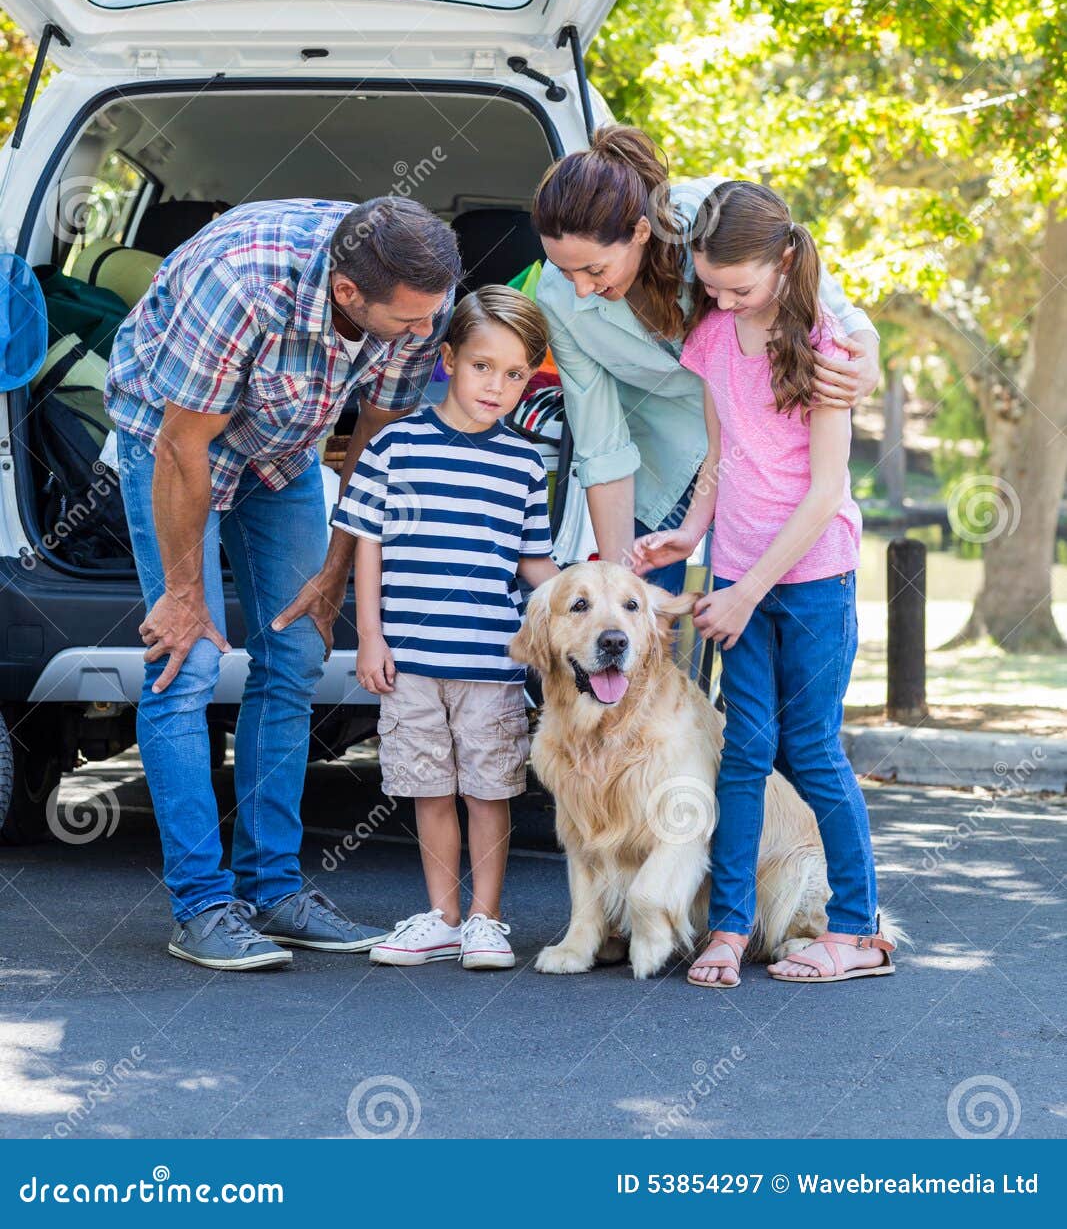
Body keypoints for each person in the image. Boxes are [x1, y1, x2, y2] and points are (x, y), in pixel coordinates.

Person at [105, 196, 461, 970]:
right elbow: (182, 443)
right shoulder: (239, 283)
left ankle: (274, 890)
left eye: (427, 318)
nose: (422, 333)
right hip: (171, 439)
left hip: (287, 449)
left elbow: (376, 431)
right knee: (186, 660)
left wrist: (337, 565)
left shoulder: (421, 293)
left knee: (297, 657)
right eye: (404, 322)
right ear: (346, 294)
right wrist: (185, 592)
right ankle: (201, 907)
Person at [632, 181, 897, 988]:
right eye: (711, 286)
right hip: (737, 574)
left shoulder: (827, 348)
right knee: (742, 754)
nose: (721, 299)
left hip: (810, 580)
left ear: (784, 261)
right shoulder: (713, 340)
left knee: (810, 750)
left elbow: (824, 495)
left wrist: (746, 591)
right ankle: (729, 928)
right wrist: (690, 530)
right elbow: (720, 456)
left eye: (738, 287)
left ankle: (855, 930)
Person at [532, 127, 881, 593]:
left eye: (595, 269)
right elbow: (601, 442)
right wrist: (618, 579)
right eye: (562, 268)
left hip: (763, 445)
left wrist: (867, 355)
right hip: (663, 451)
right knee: (637, 603)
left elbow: (815, 291)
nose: (579, 287)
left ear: (639, 232)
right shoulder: (558, 300)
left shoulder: (708, 213)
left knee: (764, 599)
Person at [332, 287, 558, 971]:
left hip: (493, 662)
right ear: (448, 358)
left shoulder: (523, 462)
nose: (497, 386)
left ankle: (486, 922)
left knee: (489, 793)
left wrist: (594, 597)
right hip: (410, 662)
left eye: (515, 374)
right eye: (482, 367)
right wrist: (370, 637)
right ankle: (442, 917)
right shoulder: (394, 445)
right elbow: (365, 542)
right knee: (428, 790)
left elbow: (533, 563)